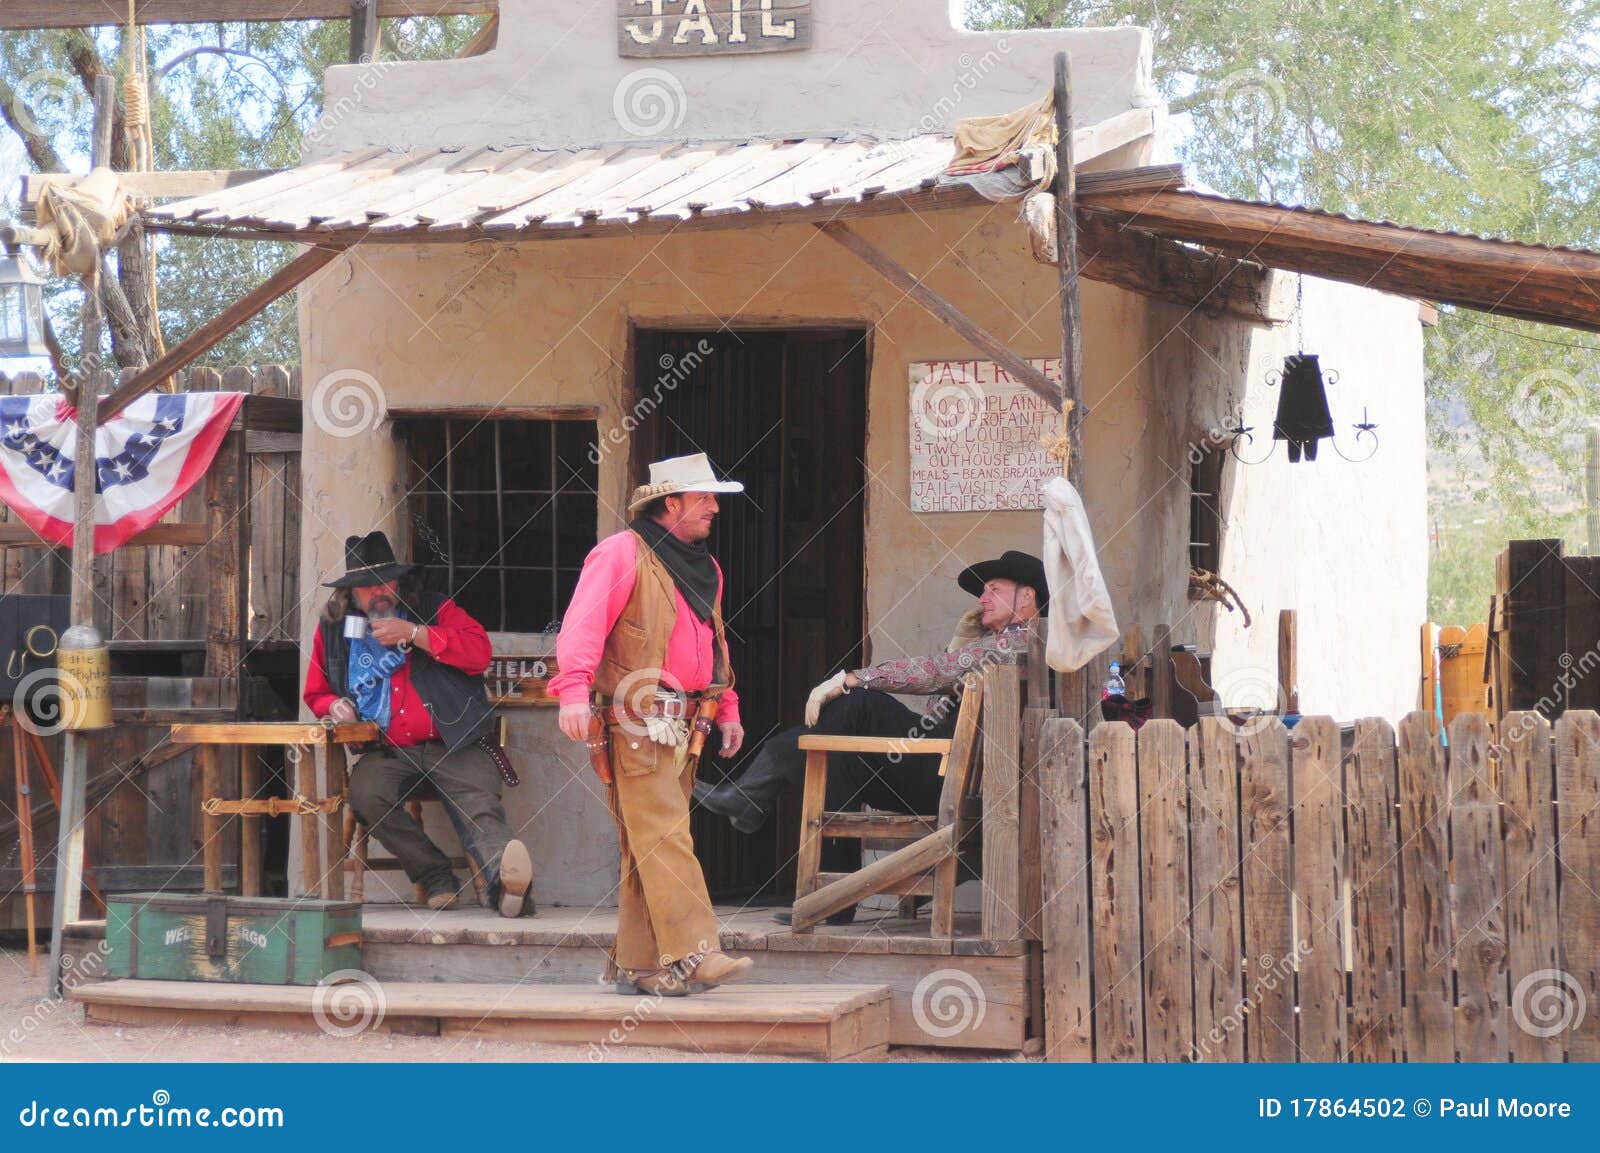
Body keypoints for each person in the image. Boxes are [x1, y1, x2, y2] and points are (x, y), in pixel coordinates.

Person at [694, 550, 1047, 924]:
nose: (982, 599)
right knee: (841, 761)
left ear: (1026, 597)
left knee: (860, 704)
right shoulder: (1012, 643)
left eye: (994, 589)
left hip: (950, 777)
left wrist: (854, 678)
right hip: (950, 772)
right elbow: (944, 690)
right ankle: (834, 904)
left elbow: (934, 672)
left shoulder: (1016, 642)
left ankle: (750, 794)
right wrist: (964, 644)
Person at [550, 452, 753, 997]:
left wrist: (727, 706)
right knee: (664, 832)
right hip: (634, 721)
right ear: (671, 503)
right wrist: (572, 691)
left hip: (686, 723)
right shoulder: (619, 554)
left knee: (648, 841)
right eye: (704, 497)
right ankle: (696, 953)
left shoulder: (704, 566)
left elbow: (713, 642)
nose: (714, 508)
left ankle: (641, 965)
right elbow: (581, 629)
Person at [304, 531, 534, 918]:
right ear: (351, 593)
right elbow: (317, 692)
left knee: (480, 807)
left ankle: (509, 890)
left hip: (454, 741)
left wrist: (416, 633)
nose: (378, 592)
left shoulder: (433, 608)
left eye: (385, 582)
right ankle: (434, 874)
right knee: (366, 797)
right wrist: (336, 705)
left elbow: (478, 654)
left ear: (398, 581)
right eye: (367, 587)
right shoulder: (333, 627)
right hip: (387, 749)